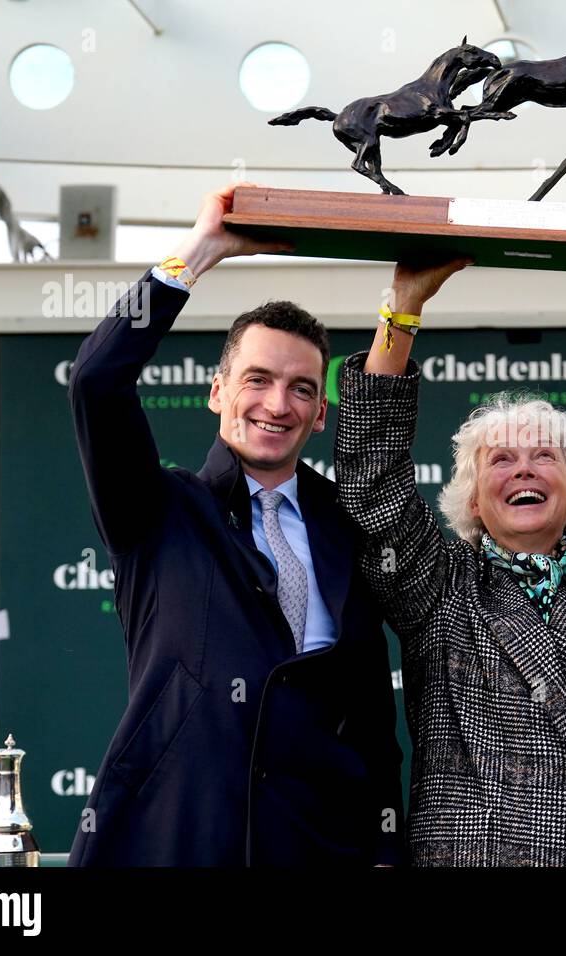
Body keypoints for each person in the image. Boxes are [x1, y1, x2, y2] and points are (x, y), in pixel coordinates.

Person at [332, 259, 566, 866]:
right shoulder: (437, 586)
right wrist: (403, 306)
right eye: (501, 460)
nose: (525, 470)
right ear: (475, 498)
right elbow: (370, 479)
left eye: (545, 456)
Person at [67, 183, 403, 866]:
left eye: (302, 388)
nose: (276, 403)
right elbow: (96, 382)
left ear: (319, 415)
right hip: (176, 844)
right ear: (218, 391)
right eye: (257, 379)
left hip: (316, 851)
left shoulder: (351, 528)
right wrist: (201, 250)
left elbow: (372, 723)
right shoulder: (158, 511)